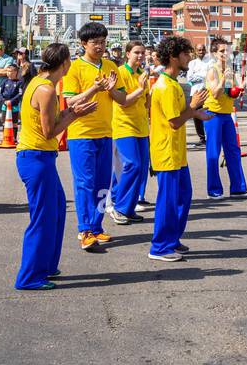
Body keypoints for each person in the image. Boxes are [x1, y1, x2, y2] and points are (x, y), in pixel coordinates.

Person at [15, 43, 97, 289]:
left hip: (41, 158)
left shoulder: (42, 83)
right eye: (70, 60)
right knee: (42, 218)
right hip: (36, 158)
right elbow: (50, 132)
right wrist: (74, 116)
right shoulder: (46, 89)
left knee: (57, 210)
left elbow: (50, 121)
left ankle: (46, 266)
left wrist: (71, 111)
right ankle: (29, 277)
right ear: (64, 64)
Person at [62, 22, 133, 252]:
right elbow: (70, 101)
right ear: (83, 44)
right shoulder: (74, 68)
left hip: (106, 132)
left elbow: (122, 99)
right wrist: (94, 89)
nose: (100, 46)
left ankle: (96, 226)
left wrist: (111, 89)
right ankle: (84, 230)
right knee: (85, 182)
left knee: (103, 183)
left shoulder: (112, 65)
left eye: (103, 42)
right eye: (95, 43)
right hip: (81, 134)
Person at [148, 35, 213, 261]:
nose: (189, 57)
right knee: (168, 201)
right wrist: (193, 107)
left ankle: (172, 240)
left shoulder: (173, 83)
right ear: (173, 57)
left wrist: (195, 111)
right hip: (166, 151)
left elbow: (179, 113)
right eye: (185, 54)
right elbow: (174, 122)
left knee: (183, 197)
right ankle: (159, 247)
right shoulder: (164, 86)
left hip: (177, 152)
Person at [108, 41, 152, 225]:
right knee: (132, 165)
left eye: (143, 53)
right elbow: (123, 101)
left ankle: (129, 207)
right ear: (127, 54)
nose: (140, 56)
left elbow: (146, 103)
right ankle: (119, 206)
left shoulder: (143, 74)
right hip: (124, 126)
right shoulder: (121, 73)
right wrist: (141, 90)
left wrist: (149, 94)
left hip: (141, 127)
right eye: (136, 52)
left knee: (141, 169)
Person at [203, 38, 247, 199]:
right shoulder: (212, 70)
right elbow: (216, 94)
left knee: (233, 151)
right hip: (213, 114)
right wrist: (224, 78)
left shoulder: (230, 69)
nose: (225, 53)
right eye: (221, 51)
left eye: (227, 50)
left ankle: (238, 187)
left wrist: (240, 89)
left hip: (226, 114)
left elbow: (231, 93)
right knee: (213, 153)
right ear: (214, 53)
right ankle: (214, 189)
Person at [185, 42, 210, 149]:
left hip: (207, 92)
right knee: (196, 116)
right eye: (199, 50)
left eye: (203, 49)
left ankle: (210, 137)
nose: (201, 52)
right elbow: (189, 79)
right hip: (195, 93)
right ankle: (202, 139)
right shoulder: (192, 63)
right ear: (195, 51)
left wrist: (198, 76)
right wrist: (203, 76)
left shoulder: (211, 62)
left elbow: (210, 76)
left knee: (208, 115)